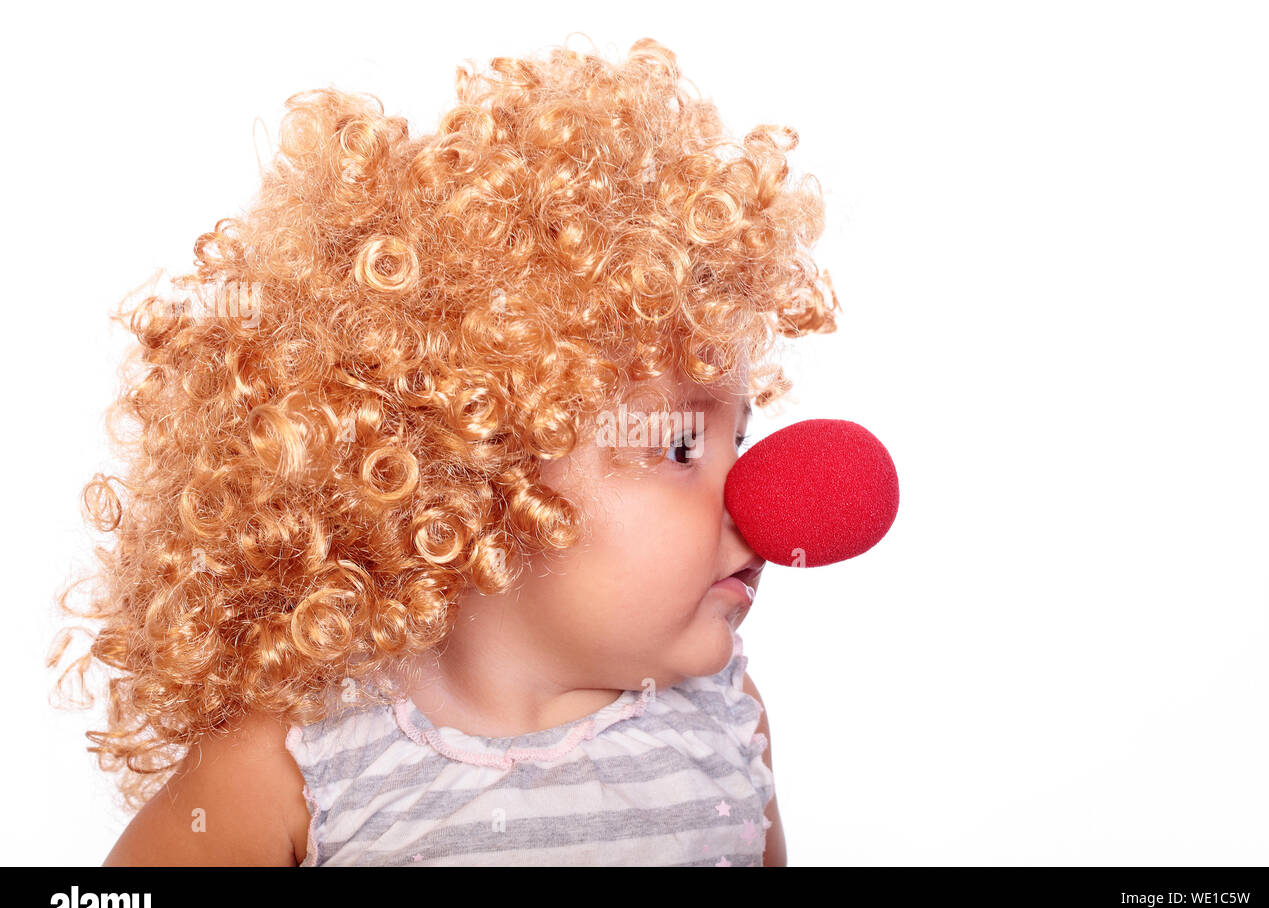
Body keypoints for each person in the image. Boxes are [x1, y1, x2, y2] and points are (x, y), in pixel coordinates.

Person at [51, 34, 839, 865]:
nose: (757, 494)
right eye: (680, 445)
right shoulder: (297, 767)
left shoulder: (725, 720)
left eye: (740, 435)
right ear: (479, 473)